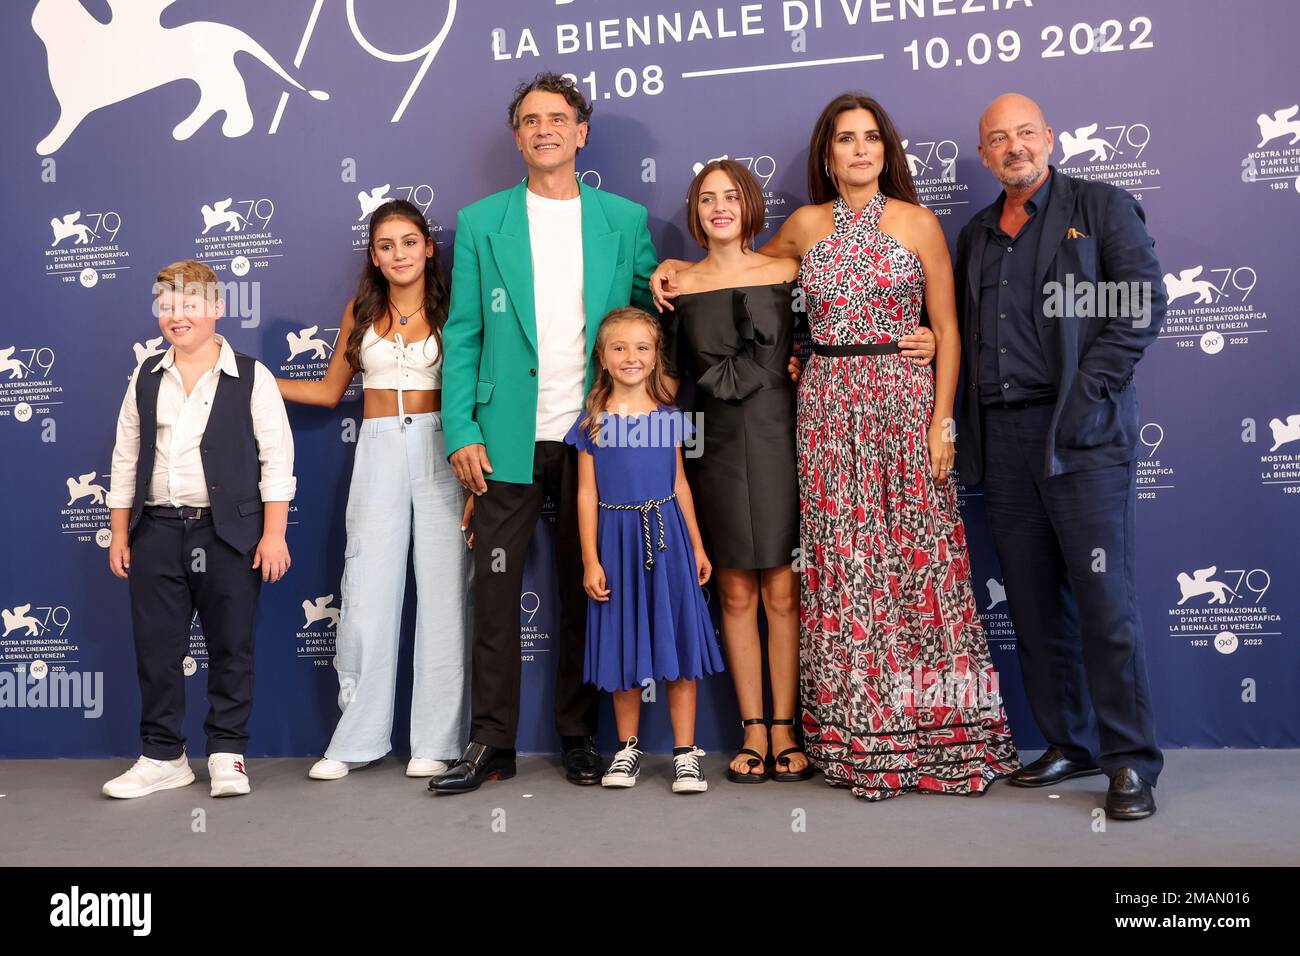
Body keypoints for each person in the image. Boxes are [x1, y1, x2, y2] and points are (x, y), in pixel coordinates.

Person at [775, 93, 1021, 800]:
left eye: (871, 139)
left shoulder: (917, 224)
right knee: (845, 567)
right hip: (825, 411)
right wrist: (680, 274)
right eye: (846, 139)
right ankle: (861, 737)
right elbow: (745, 277)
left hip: (905, 406)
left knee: (924, 567)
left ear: (887, 151)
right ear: (828, 153)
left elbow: (947, 329)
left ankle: (944, 736)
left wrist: (943, 423)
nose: (859, 150)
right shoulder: (801, 227)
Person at [430, 72, 660, 794]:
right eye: (530, 120)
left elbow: (652, 317)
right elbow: (463, 334)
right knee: (494, 595)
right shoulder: (480, 222)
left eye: (557, 119)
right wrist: (461, 426)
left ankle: (577, 737)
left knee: (586, 590)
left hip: (598, 436)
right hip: (504, 438)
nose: (544, 130)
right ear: (517, 135)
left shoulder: (624, 220)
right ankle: (490, 742)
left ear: (581, 132)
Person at [955, 93, 1165, 820]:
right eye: (997, 139)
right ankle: (1067, 742)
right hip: (1004, 440)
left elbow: (1139, 305)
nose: (1013, 147)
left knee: (1107, 607)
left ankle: (1129, 761)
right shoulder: (978, 233)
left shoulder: (1100, 207)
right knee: (1037, 606)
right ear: (984, 156)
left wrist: (1088, 395)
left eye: (1024, 133)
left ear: (1049, 138)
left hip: (1080, 436)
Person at [275, 199, 471, 782]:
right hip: (379, 446)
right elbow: (330, 391)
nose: (399, 254)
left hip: (444, 446)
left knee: (443, 596)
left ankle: (435, 741)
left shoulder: (453, 306)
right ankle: (356, 739)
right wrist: (250, 376)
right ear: (375, 256)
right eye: (386, 245)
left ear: (428, 247)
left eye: (409, 242)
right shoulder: (359, 311)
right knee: (366, 591)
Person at [103, 259, 295, 799]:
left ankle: (228, 753)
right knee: (156, 647)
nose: (176, 316)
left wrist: (273, 533)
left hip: (228, 535)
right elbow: (125, 458)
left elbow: (277, 461)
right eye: (166, 306)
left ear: (216, 308)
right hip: (157, 530)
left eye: (189, 304)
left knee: (232, 644)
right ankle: (163, 755)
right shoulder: (144, 376)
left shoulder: (252, 378)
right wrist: (120, 533)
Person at [661, 159, 811, 784]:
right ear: (695, 214)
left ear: (749, 205)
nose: (718, 207)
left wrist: (924, 338)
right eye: (705, 199)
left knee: (782, 587)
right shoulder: (675, 287)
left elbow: (824, 347)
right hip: (713, 446)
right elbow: (667, 380)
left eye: (729, 196)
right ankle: (752, 728)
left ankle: (786, 727)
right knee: (734, 590)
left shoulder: (790, 273)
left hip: (783, 441)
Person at [567, 307, 723, 793]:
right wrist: (591, 558)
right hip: (615, 541)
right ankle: (627, 750)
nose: (631, 357)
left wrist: (697, 545)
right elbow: (586, 493)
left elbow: (679, 484)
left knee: (678, 642)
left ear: (656, 356)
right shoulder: (593, 422)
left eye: (642, 347)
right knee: (622, 645)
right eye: (620, 347)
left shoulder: (669, 418)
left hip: (669, 536)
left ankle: (685, 753)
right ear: (603, 357)